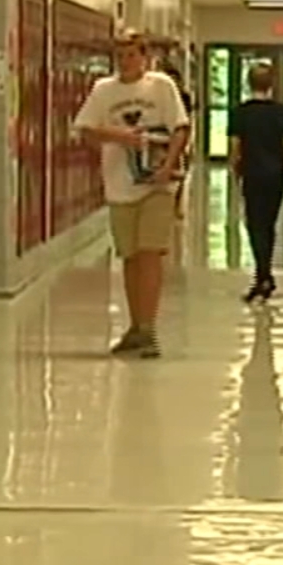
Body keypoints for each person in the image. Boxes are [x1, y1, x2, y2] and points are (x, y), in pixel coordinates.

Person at [74, 30, 190, 359]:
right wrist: (118, 136)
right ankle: (136, 327)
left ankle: (149, 330)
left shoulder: (161, 86)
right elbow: (85, 131)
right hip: (120, 185)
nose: (126, 62)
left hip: (157, 185)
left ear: (145, 56)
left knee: (150, 253)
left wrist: (168, 166)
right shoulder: (103, 91)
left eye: (132, 55)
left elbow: (180, 127)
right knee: (131, 256)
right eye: (120, 56)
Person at [228, 63, 283, 303]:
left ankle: (262, 275)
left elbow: (235, 148)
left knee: (255, 224)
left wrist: (235, 170)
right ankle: (265, 275)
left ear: (248, 83)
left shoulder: (240, 112)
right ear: (271, 85)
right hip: (275, 174)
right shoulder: (280, 111)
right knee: (270, 223)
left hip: (252, 174)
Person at [159, 60, 193, 219]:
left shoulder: (184, 97)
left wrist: (186, 140)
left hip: (179, 137)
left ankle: (176, 202)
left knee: (179, 171)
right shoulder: (157, 97)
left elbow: (187, 121)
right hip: (161, 139)